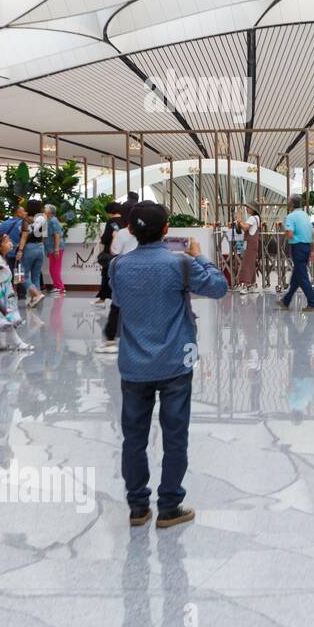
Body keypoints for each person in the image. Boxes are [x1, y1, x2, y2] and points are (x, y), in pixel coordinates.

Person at [109, 201, 228, 528]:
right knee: (175, 434)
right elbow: (219, 287)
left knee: (134, 437)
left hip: (134, 364)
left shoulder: (118, 266)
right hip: (176, 360)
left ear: (130, 229)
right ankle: (170, 505)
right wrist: (200, 256)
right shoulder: (181, 264)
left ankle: (137, 507)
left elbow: (119, 302)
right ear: (166, 230)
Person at [96, 214, 139, 354]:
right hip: (144, 272)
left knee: (117, 305)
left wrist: (115, 237)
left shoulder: (123, 233)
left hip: (125, 271)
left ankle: (110, 339)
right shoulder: (149, 232)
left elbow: (114, 251)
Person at [278, 194, 314, 311]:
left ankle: (313, 303)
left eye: (288, 201)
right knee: (296, 277)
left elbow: (290, 234)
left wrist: (284, 232)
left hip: (298, 248)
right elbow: (313, 234)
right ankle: (286, 301)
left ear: (291, 204)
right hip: (306, 247)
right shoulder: (305, 215)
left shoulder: (290, 217)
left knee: (303, 277)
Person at [0, 232, 31, 351]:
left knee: (2, 319)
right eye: (6, 242)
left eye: (9, 240)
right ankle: (18, 343)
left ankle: (1, 343)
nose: (10, 243)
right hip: (0, 295)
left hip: (6, 294)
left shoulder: (3, 258)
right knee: (7, 318)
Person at [15, 199, 47, 309]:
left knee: (21, 274)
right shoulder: (43, 218)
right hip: (40, 248)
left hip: (29, 248)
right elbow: (43, 237)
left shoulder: (26, 220)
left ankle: (37, 295)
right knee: (36, 275)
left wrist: (20, 250)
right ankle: (35, 299)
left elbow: (24, 237)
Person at [93, 202, 124, 306]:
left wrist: (101, 237)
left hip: (110, 253)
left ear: (110, 212)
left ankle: (102, 299)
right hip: (122, 253)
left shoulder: (111, 222)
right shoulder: (125, 221)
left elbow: (105, 239)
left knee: (106, 276)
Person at [235, 203, 261, 294]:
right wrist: (240, 220)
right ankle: (253, 285)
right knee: (251, 264)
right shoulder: (257, 218)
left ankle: (245, 285)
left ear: (253, 209)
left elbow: (245, 228)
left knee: (246, 264)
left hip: (249, 245)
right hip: (253, 244)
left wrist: (239, 220)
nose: (247, 209)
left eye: (248, 207)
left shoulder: (252, 218)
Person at [43, 204, 65, 296]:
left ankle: (60, 287)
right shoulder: (49, 221)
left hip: (56, 248)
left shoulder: (53, 221)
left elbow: (57, 235)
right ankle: (57, 286)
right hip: (52, 249)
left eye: (45, 209)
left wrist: (56, 249)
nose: (43, 211)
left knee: (55, 269)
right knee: (53, 269)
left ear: (49, 212)